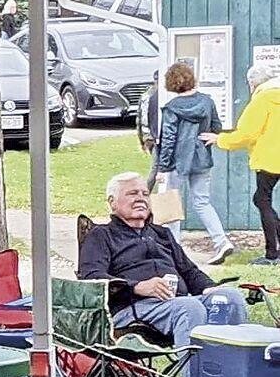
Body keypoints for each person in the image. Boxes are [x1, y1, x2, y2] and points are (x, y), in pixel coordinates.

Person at [78, 172, 248, 347]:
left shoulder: (161, 233)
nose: (141, 198)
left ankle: (229, 369)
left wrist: (209, 287)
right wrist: (137, 287)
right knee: (189, 308)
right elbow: (91, 277)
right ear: (112, 202)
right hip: (133, 308)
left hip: (176, 302)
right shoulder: (102, 235)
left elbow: (188, 270)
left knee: (230, 299)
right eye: (132, 193)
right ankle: (198, 374)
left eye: (145, 194)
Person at [154, 61, 233, 264]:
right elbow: (217, 125)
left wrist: (162, 167)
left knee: (171, 204)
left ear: (171, 83)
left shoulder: (171, 108)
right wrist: (209, 137)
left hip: (176, 163)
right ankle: (221, 241)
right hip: (201, 158)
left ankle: (174, 250)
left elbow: (169, 139)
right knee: (202, 202)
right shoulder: (207, 101)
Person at [217, 63, 280, 265]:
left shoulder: (262, 99)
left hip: (270, 159)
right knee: (260, 199)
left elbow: (247, 133)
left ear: (255, 82)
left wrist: (220, 140)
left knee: (262, 200)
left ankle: (272, 253)